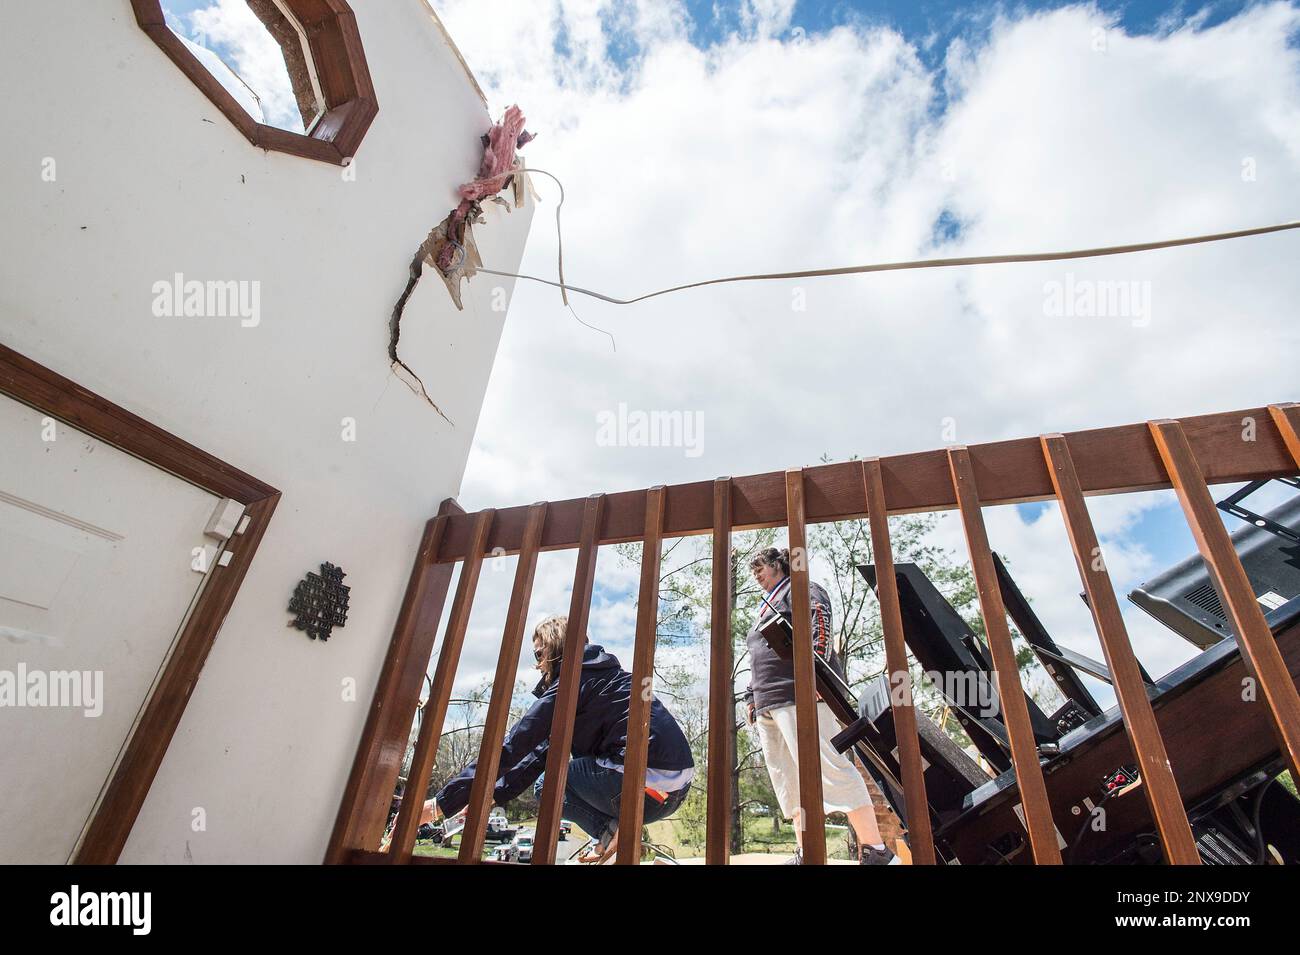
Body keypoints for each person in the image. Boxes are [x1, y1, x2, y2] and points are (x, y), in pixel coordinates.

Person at [429, 615, 694, 863]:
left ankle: (611, 834)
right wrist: (492, 794)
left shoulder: (574, 680)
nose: (537, 664)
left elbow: (516, 744)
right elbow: (540, 752)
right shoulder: (604, 677)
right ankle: (613, 837)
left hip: (639, 783)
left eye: (538, 653)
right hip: (672, 793)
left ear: (554, 648)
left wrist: (439, 804)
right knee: (557, 775)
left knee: (548, 785)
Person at [744, 547, 895, 865]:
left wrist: (816, 677)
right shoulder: (765, 606)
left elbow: (821, 628)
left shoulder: (803, 590)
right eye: (752, 570)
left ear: (778, 565)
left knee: (830, 767)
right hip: (769, 701)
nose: (755, 574)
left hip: (802, 695)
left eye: (760, 567)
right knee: (789, 778)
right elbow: (759, 656)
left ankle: (876, 850)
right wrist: (750, 697)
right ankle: (806, 852)